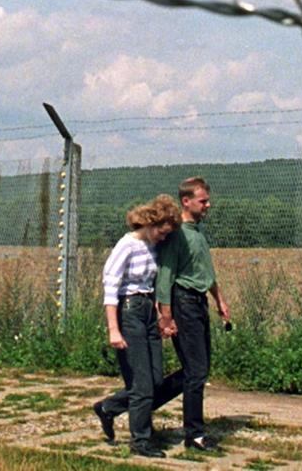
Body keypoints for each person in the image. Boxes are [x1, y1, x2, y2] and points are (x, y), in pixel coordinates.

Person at [90, 194, 180, 459]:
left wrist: (160, 315)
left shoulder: (153, 246)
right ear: (152, 224)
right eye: (162, 232)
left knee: (153, 378)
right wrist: (113, 329)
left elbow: (152, 284)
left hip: (147, 310)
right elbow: (110, 286)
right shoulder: (126, 246)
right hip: (127, 311)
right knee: (141, 383)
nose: (164, 238)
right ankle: (141, 439)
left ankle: (108, 408)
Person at [154, 175, 231, 452]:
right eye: (203, 200)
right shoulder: (177, 235)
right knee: (196, 371)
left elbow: (205, 272)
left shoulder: (197, 232)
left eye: (208, 200)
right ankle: (195, 435)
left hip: (198, 302)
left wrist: (219, 299)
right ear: (186, 202)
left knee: (196, 369)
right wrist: (166, 315)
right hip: (183, 302)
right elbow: (165, 276)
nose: (208, 205)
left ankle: (136, 403)